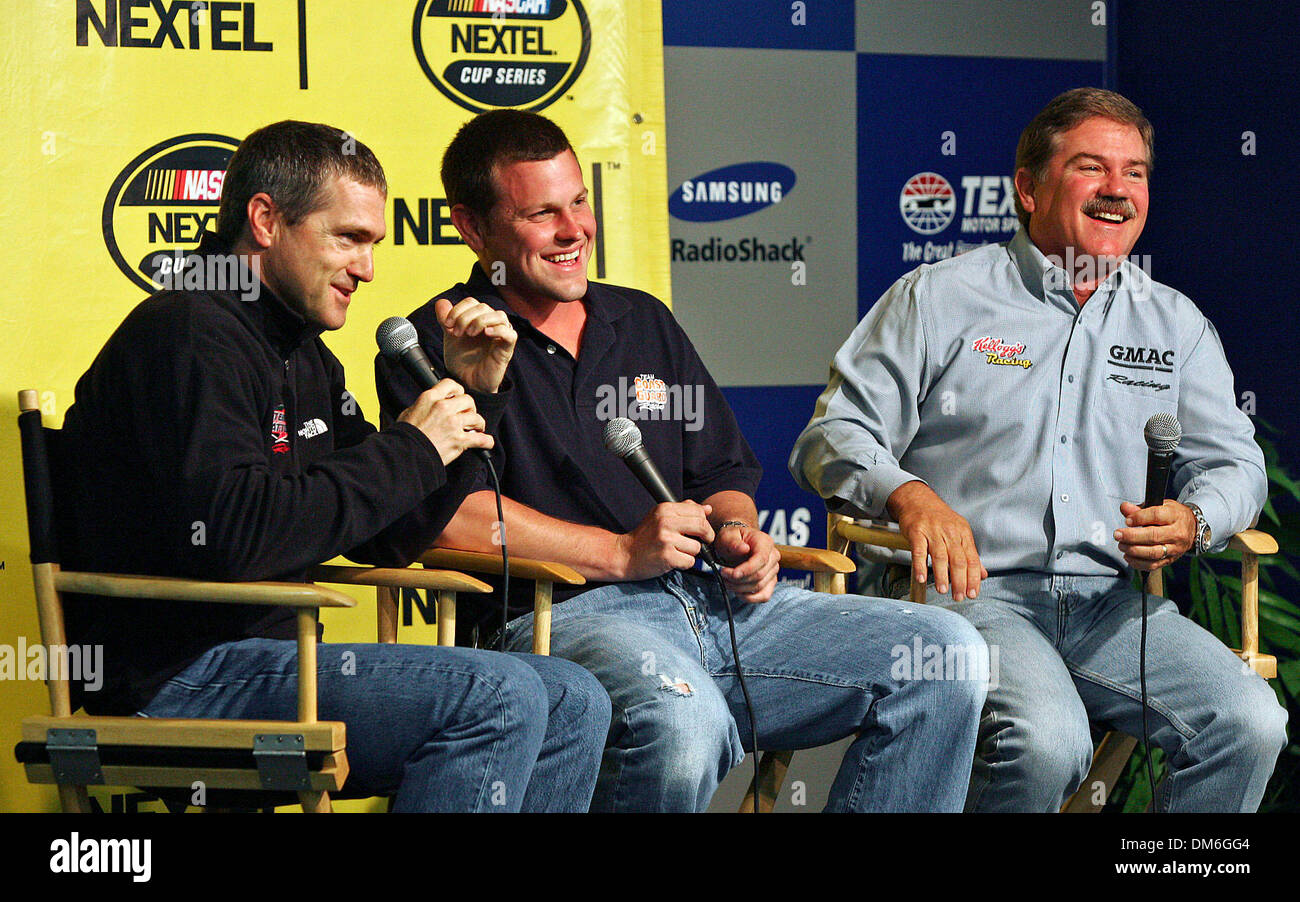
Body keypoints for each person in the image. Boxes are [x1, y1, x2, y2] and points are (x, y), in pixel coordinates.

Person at [377, 110, 987, 813]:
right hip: (562, 621)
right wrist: (621, 552)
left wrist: (740, 533)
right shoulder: (433, 341)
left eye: (579, 201)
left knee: (946, 655)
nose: (574, 229)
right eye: (542, 213)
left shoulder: (642, 320)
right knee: (685, 725)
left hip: (716, 604)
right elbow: (451, 523)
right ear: (473, 228)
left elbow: (721, 477)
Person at [58, 120, 608, 812]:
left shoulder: (303, 352)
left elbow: (390, 538)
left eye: (373, 244)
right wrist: (411, 446)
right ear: (265, 220)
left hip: (272, 663)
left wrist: (472, 401)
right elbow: (235, 535)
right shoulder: (188, 333)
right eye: (348, 238)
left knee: (573, 695)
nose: (368, 268)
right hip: (176, 676)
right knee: (500, 695)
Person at [790, 88, 1287, 812]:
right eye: (1092, 167)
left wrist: (1196, 518)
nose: (1118, 189)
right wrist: (910, 494)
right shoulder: (938, 297)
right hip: (963, 597)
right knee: (1046, 740)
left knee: (1248, 723)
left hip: (1112, 606)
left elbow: (1236, 464)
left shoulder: (1173, 323)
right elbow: (832, 437)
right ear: (1027, 188)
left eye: (1136, 172)